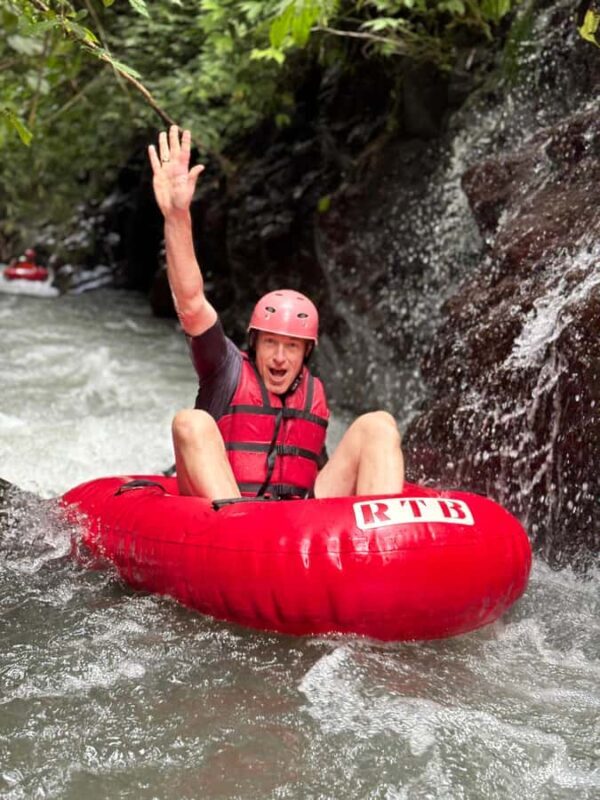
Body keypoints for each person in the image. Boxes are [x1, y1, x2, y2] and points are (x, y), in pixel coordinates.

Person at [148, 126, 404, 501]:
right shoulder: (225, 370)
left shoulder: (312, 393)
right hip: (225, 518)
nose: (280, 357)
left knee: (378, 424)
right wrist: (176, 215)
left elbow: (314, 473)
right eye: (270, 343)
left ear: (306, 353)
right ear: (254, 343)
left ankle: (384, 545)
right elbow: (190, 302)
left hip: (294, 526)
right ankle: (237, 539)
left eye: (292, 347)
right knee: (191, 422)